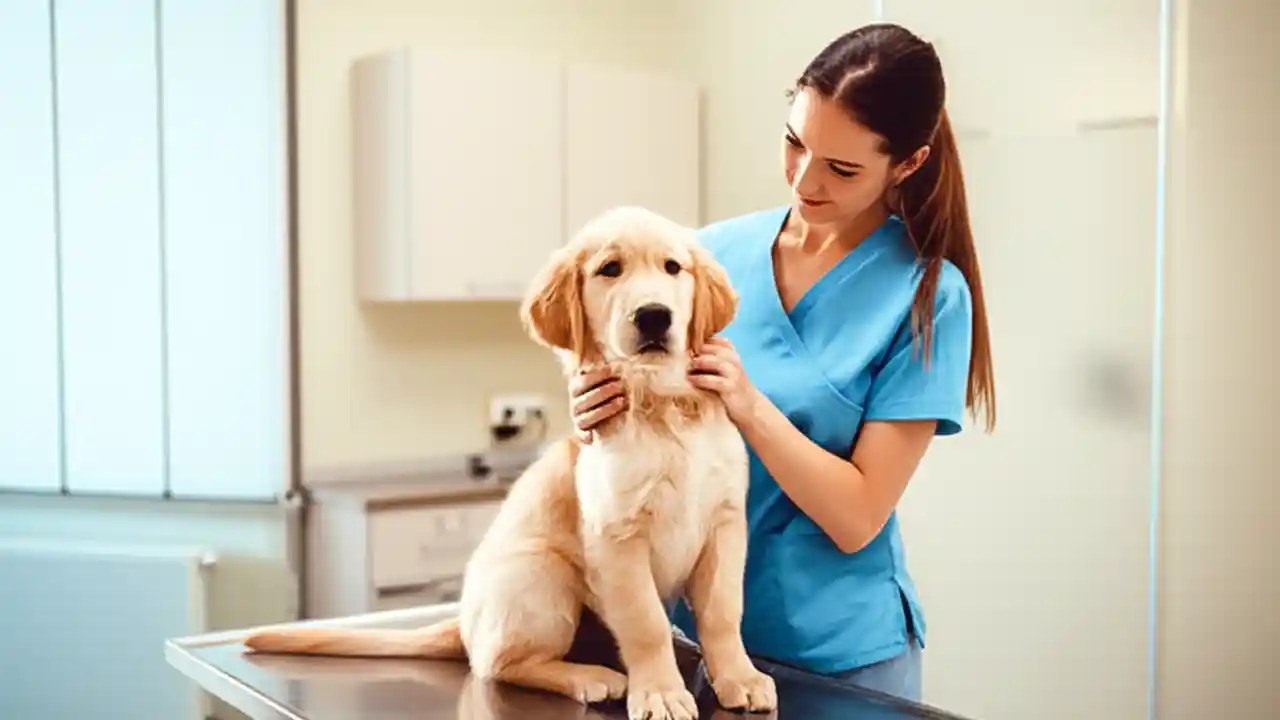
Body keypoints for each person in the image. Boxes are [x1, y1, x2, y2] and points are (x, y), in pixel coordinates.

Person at [566, 22, 995, 703]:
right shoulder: (704, 255)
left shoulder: (928, 298)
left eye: (842, 168)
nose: (805, 178)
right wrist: (593, 412)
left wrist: (749, 405)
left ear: (907, 164)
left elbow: (858, 517)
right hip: (691, 650)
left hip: (837, 659)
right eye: (795, 142)